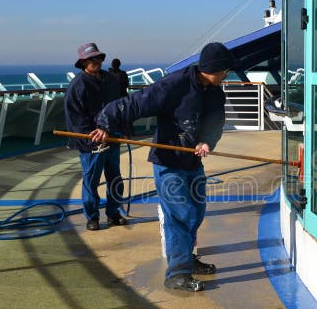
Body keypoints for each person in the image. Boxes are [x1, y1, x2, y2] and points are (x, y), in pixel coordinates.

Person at [90, 42, 235, 292]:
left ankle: (187, 259)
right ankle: (177, 275)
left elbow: (215, 123)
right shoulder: (174, 85)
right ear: (212, 68)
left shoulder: (215, 92)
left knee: (196, 212)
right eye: (224, 71)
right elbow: (136, 103)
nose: (226, 75)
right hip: (168, 163)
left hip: (192, 162)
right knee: (180, 215)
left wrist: (206, 141)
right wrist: (105, 123)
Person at [64, 42, 128, 231]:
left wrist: (119, 127)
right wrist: (91, 136)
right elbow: (74, 116)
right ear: (83, 62)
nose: (97, 61)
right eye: (92, 59)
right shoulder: (77, 85)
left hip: (112, 138)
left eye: (99, 58)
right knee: (91, 180)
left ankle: (113, 213)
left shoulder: (111, 80)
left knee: (115, 178)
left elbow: (120, 105)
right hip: (91, 143)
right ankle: (92, 217)